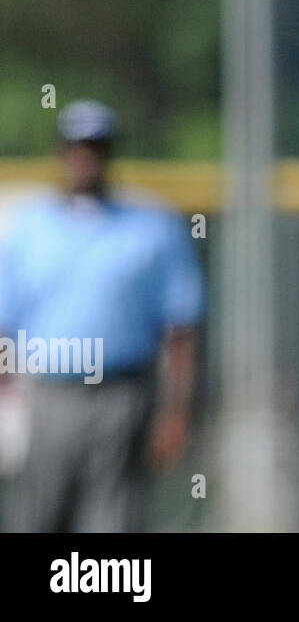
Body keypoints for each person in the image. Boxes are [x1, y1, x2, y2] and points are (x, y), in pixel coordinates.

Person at [0, 100, 203, 532]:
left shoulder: (151, 225)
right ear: (61, 152)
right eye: (77, 147)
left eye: (95, 147)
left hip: (123, 395)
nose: (85, 158)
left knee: (113, 522)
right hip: (51, 394)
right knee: (38, 515)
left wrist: (176, 412)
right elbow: (4, 322)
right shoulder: (28, 228)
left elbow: (181, 328)